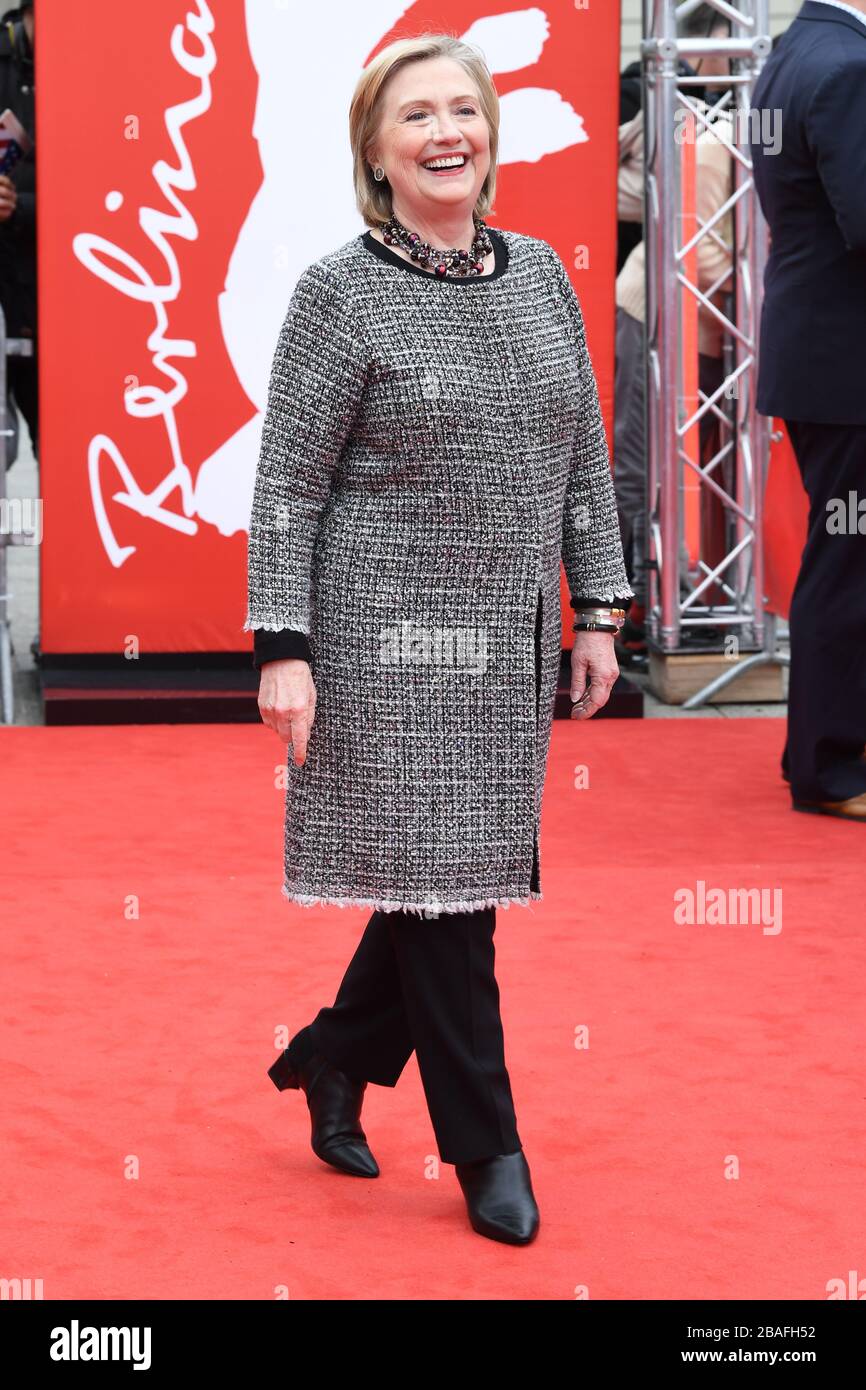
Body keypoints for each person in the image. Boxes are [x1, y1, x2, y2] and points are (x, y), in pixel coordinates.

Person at [244, 33, 633, 1246]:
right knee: (454, 900)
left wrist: (602, 608)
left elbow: (579, 460)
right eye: (414, 115)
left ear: (488, 134)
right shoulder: (337, 290)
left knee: (438, 886)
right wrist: (284, 644)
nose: (444, 132)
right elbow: (287, 489)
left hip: (505, 649)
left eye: (462, 109)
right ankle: (486, 1143)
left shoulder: (540, 280)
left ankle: (331, 1052)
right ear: (374, 149)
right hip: (382, 645)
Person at [750, 1, 866, 820]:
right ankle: (826, 765)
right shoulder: (846, 66)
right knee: (850, 560)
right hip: (846, 361)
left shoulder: (795, 53)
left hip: (825, 353)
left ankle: (823, 747)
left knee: (846, 553)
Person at [0, 0, 35, 468]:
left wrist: (19, 208)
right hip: (7, 291)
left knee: (66, 454)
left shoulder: (98, 61)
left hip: (68, 302)